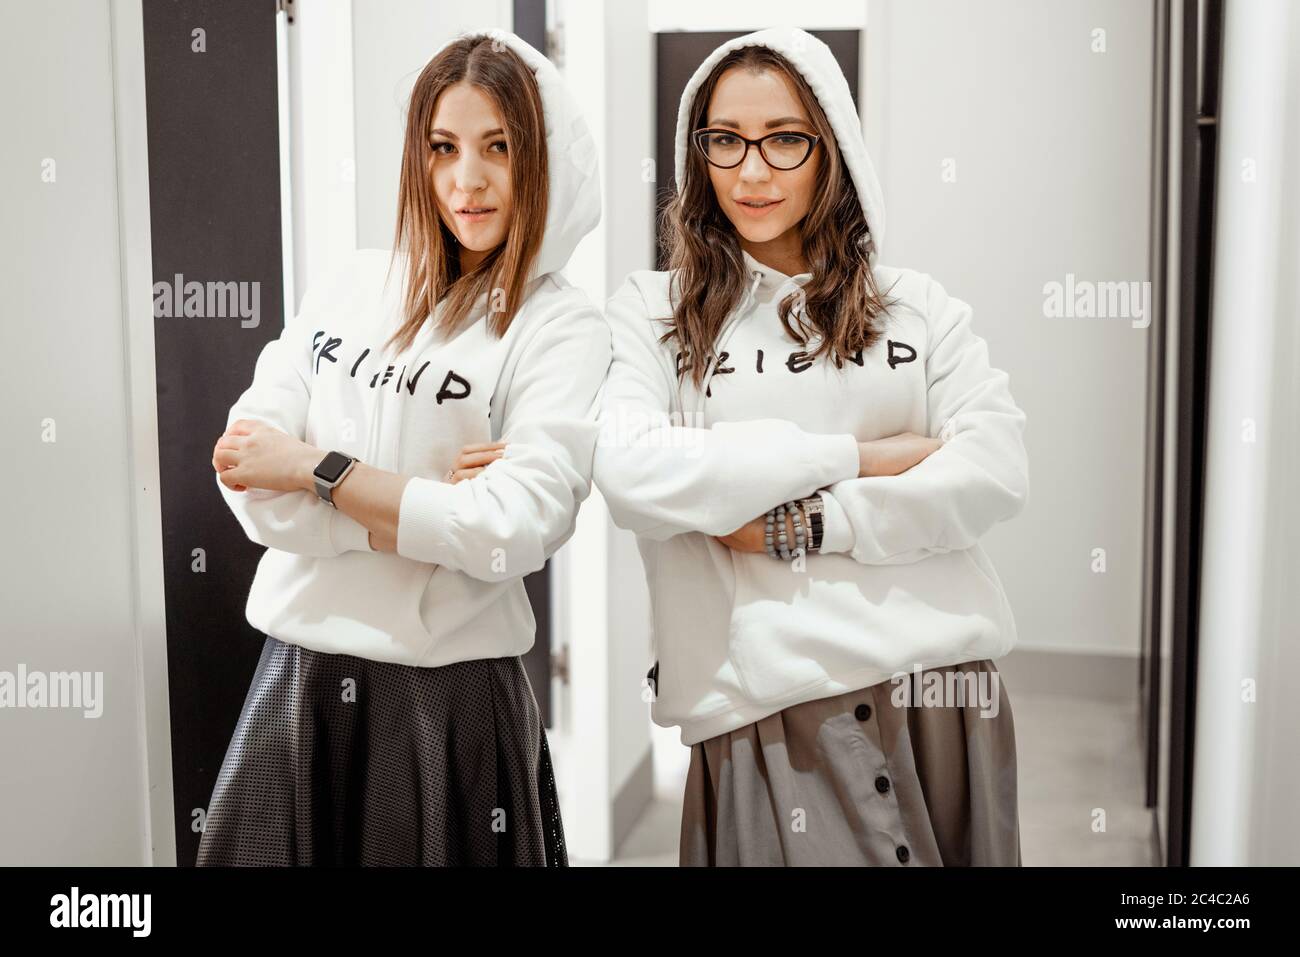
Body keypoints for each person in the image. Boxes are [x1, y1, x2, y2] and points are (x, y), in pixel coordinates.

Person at [592, 27, 1030, 866]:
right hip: (763, 709)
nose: (751, 172)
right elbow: (633, 474)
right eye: (726, 140)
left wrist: (805, 526)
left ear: (832, 147)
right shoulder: (654, 312)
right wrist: (861, 455)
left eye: (784, 139)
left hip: (945, 691)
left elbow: (995, 469)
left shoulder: (915, 307)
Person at [199, 29, 609, 866]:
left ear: (540, 159)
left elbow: (508, 530)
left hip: (448, 701)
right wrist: (421, 511)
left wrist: (317, 469)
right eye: (443, 147)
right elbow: (246, 472)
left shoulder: (561, 325)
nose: (468, 179)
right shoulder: (349, 283)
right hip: (299, 682)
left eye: (499, 147)